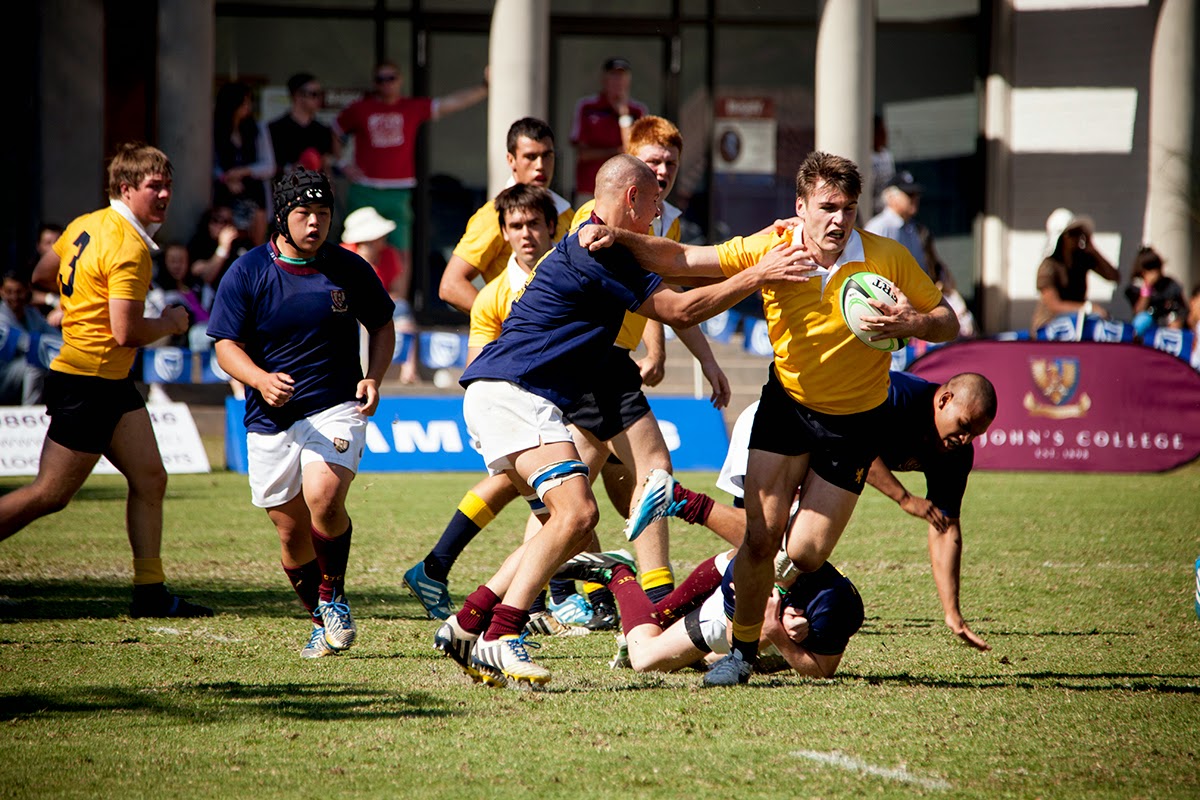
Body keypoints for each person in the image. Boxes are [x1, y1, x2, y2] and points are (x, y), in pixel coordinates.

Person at [430, 154, 815, 687]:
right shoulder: (602, 252)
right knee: (578, 513)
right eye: (655, 199)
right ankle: (502, 634)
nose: (660, 210)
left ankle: (471, 620)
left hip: (516, 394)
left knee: (561, 521)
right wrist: (761, 272)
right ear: (632, 197)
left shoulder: (603, 239)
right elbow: (681, 308)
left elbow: (685, 259)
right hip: (514, 392)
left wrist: (762, 243)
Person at [583, 150, 958, 686]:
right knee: (760, 538)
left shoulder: (887, 257)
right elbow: (684, 260)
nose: (839, 219)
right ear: (800, 206)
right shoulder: (773, 247)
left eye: (848, 208)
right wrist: (619, 238)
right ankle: (740, 652)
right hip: (787, 408)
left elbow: (949, 320)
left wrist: (915, 319)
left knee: (804, 552)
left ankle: (719, 582)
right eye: (827, 206)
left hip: (854, 422)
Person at [3, 142, 212, 619]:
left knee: (150, 478)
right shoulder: (129, 246)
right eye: (153, 186)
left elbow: (41, 274)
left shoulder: (86, 223)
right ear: (126, 188)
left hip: (105, 381)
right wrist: (173, 323)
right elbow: (126, 333)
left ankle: (150, 591)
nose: (164, 195)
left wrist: (77, 305)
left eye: (168, 186)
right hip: (90, 380)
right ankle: (150, 591)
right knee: (49, 495)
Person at [648, 370, 998, 652]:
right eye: (964, 425)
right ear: (945, 399)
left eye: (975, 434)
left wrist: (953, 614)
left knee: (785, 551)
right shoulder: (898, 397)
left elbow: (945, 527)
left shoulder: (956, 453)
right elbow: (860, 445)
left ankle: (677, 629)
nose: (966, 439)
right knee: (761, 542)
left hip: (822, 454)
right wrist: (904, 498)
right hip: (784, 426)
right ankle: (680, 501)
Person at [207, 168, 396, 658]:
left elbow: (381, 325)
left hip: (335, 405)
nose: (315, 224)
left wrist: (374, 376)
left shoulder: (349, 267)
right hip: (269, 418)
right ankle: (321, 618)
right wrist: (259, 379)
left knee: (324, 496)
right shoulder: (248, 271)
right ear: (283, 217)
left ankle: (333, 595)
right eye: (304, 214)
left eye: (323, 214)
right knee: (292, 535)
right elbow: (225, 345)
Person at [555, 548, 863, 679]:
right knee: (645, 660)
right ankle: (618, 574)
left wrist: (779, 638)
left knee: (703, 660)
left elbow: (823, 670)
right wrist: (773, 630)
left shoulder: (833, 601)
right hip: (725, 611)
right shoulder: (746, 570)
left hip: (741, 594)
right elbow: (734, 642)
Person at [336, 60, 488, 273]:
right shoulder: (361, 109)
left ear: (400, 80)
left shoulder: (411, 108)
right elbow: (333, 132)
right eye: (381, 79)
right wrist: (343, 164)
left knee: (401, 251)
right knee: (357, 248)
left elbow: (448, 104)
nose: (386, 84)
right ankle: (354, 299)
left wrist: (484, 88)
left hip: (399, 190)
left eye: (391, 78)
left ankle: (399, 303)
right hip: (365, 189)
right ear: (374, 83)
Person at [438, 117, 575, 315]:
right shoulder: (494, 215)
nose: (540, 165)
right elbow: (451, 286)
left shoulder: (566, 212)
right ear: (511, 160)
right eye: (530, 156)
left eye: (547, 156)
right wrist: (511, 324)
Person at [339, 205, 420, 384]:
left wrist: (376, 302)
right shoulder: (343, 255)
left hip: (380, 303)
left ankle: (409, 372)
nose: (384, 239)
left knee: (403, 312)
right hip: (348, 306)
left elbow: (397, 292)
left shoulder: (390, 254)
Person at [569, 57, 648, 205]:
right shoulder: (587, 107)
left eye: (622, 76)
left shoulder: (637, 111)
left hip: (624, 191)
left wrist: (624, 114)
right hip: (589, 189)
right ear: (603, 79)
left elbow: (633, 152)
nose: (618, 81)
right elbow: (583, 153)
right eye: (613, 75)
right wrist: (618, 151)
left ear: (628, 80)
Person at [1030, 207, 1120, 332]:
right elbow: (1054, 305)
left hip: (1077, 324)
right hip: (1050, 327)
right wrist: (1088, 308)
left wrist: (1093, 249)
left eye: (1079, 232)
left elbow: (1114, 277)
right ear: (1061, 238)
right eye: (1072, 233)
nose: (1077, 238)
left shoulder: (1081, 259)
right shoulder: (1048, 267)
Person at [212, 81, 274, 245]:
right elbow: (209, 165)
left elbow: (269, 166)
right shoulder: (215, 130)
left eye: (249, 101)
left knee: (256, 239)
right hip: (225, 194)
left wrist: (242, 172)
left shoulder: (258, 130)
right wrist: (227, 179)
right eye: (244, 101)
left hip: (254, 193)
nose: (247, 106)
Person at [268, 73, 340, 181]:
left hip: (315, 191)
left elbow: (325, 165)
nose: (319, 99)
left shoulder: (321, 130)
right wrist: (291, 168)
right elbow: (268, 165)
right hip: (286, 191)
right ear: (297, 96)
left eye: (321, 94)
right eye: (314, 94)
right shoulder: (275, 129)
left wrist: (330, 189)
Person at [0, 270, 57, 405]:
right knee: (35, 362)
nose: (14, 297)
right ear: (1, 291)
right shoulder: (1, 317)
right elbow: (28, 344)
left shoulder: (31, 313)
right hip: (3, 377)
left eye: (19, 291)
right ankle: (29, 413)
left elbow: (56, 338)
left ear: (27, 291)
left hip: (17, 378)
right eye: (9, 291)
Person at [864, 171, 926, 273]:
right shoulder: (879, 227)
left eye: (916, 195)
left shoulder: (912, 227)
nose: (915, 199)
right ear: (890, 197)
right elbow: (869, 271)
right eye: (910, 194)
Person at [1123, 246, 1187, 337]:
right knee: (1143, 319)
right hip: (1150, 326)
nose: (1155, 273)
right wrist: (1147, 288)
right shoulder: (1135, 287)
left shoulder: (1170, 285)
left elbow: (1183, 308)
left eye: (1157, 268)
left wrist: (1177, 320)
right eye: (1150, 269)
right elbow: (1139, 312)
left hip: (1168, 325)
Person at [871, 114, 896, 215]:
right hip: (872, 208)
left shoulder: (886, 155)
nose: (885, 134)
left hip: (887, 207)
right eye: (880, 131)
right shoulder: (866, 156)